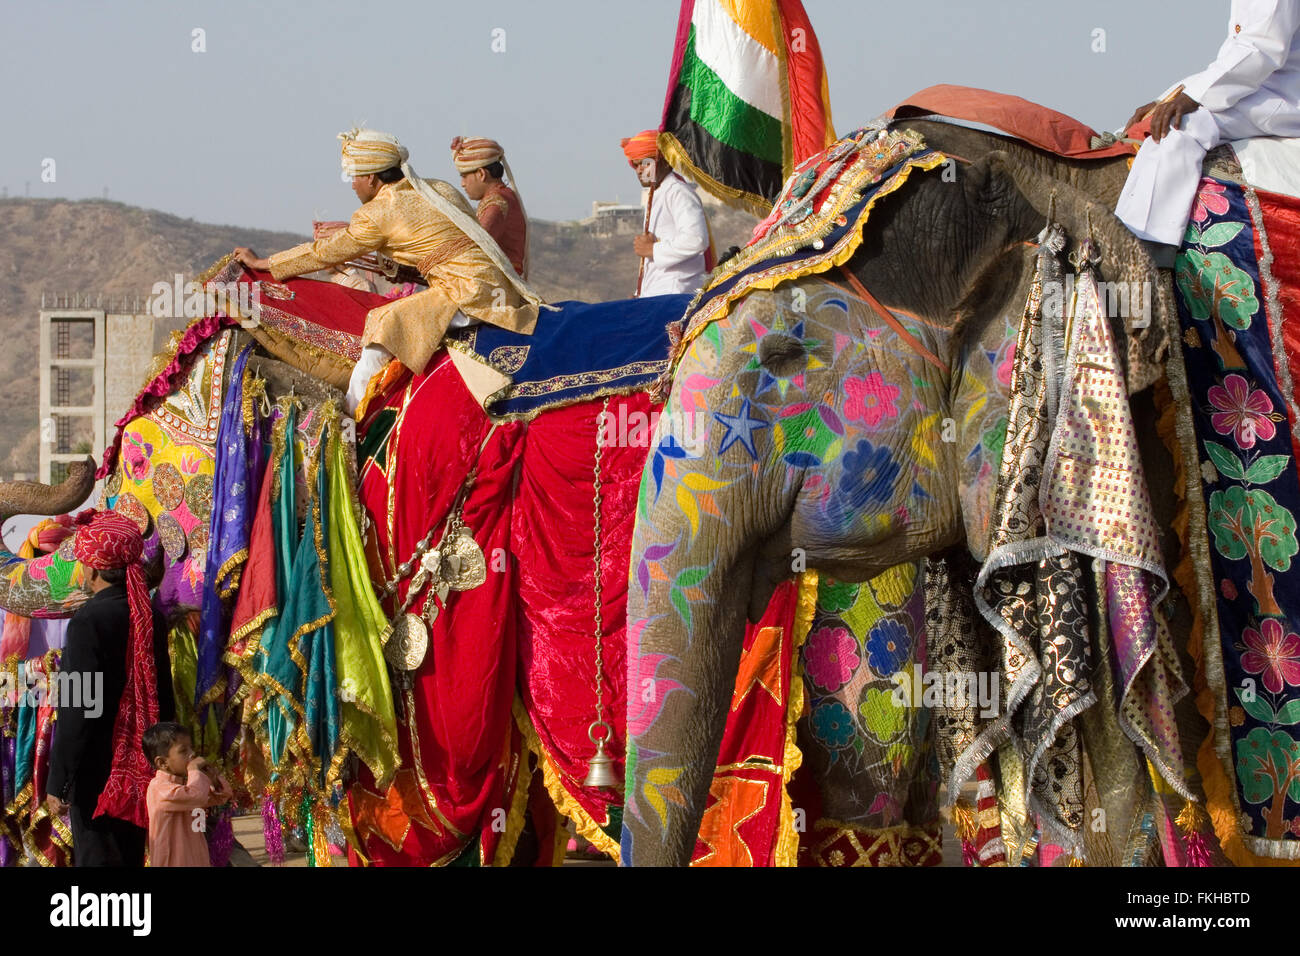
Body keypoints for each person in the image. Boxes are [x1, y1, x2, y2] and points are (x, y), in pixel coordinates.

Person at [232, 128, 544, 415]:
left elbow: (326, 251)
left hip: (466, 291)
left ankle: (352, 421)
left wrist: (267, 264)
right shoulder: (438, 189)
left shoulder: (379, 212)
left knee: (382, 326)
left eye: (354, 176)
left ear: (373, 178)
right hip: (495, 284)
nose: (353, 184)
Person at [45, 511, 175, 867]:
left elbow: (76, 709)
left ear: (93, 570)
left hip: (98, 776)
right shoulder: (149, 615)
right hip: (142, 768)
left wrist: (60, 781)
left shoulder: (87, 621)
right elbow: (164, 692)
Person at [1115, 1, 1300, 251]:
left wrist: (1193, 97)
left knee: (1177, 128)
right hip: (1259, 88)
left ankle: (1150, 257)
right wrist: (1166, 98)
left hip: (1285, 97)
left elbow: (1261, 49)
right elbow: (1235, 55)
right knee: (1152, 121)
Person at [622, 129, 713, 297]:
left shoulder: (678, 192)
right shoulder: (656, 194)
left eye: (645, 163)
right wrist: (640, 293)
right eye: (636, 164)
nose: (639, 170)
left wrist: (652, 249)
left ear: (664, 162)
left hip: (676, 292)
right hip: (657, 292)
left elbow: (697, 240)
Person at [143, 722, 230, 867]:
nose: (192, 754)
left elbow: (223, 795)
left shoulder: (190, 784)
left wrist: (212, 777)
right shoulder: (159, 789)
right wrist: (195, 769)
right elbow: (196, 797)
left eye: (191, 748)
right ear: (162, 763)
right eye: (183, 751)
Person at [450, 136, 530, 278]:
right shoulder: (504, 196)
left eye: (464, 176)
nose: (462, 184)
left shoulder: (496, 202)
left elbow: (474, 248)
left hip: (496, 284)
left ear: (481, 174)